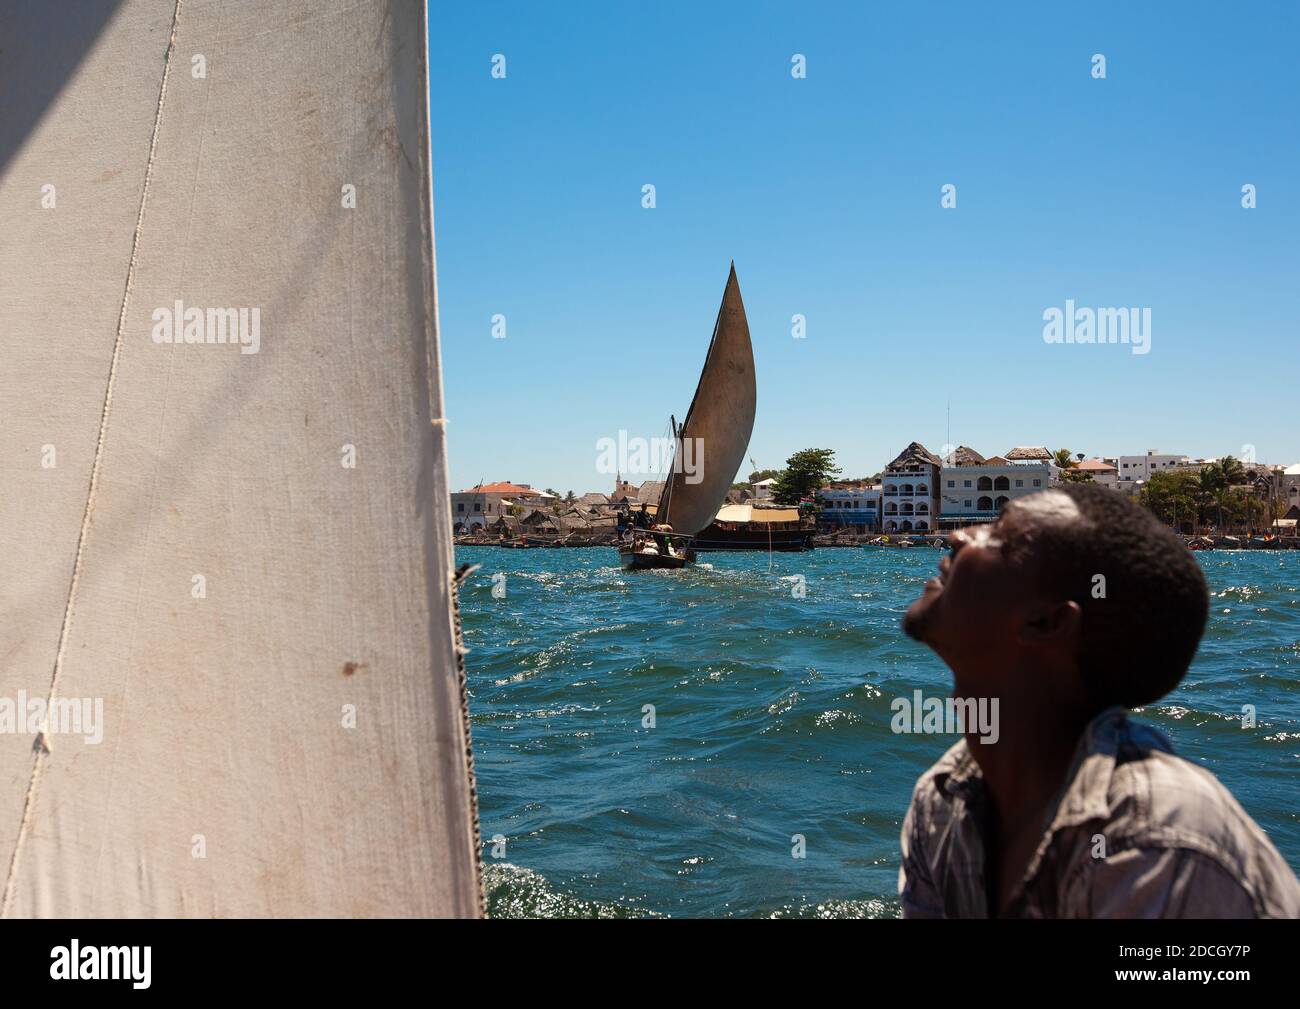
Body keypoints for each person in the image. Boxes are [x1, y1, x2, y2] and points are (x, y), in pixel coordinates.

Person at [898, 484, 1300, 918]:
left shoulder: (1153, 842)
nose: (959, 537)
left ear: (1045, 622)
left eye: (1001, 538)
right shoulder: (946, 795)